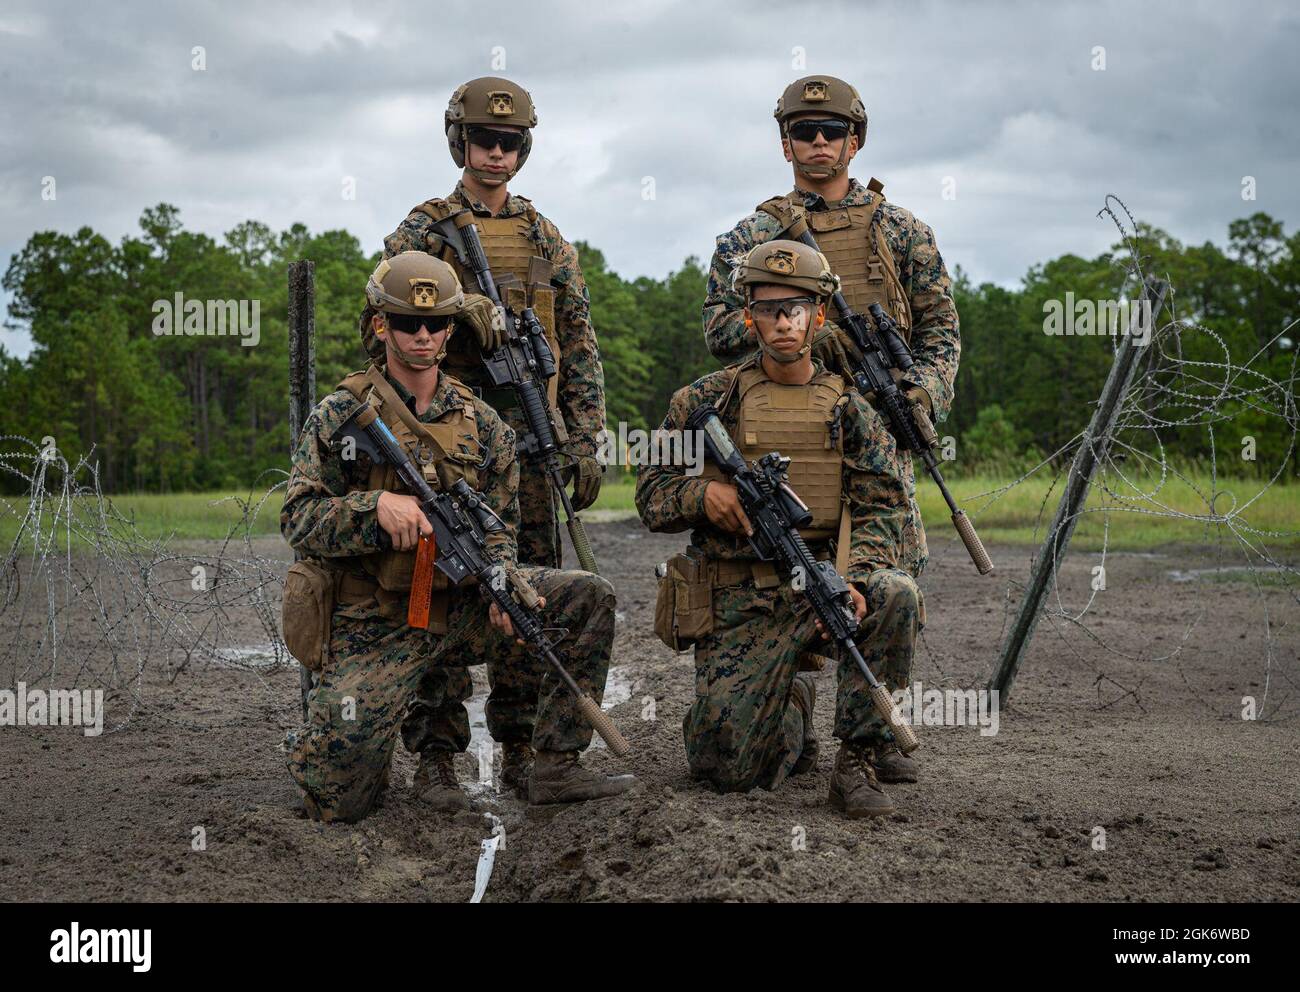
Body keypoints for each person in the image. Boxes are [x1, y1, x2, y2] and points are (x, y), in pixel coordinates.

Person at [283, 252, 633, 822]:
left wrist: (503, 582)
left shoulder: (485, 424)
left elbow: (500, 530)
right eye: (406, 323)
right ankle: (399, 756)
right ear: (380, 326)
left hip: (461, 606)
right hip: (378, 620)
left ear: (450, 331)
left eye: (436, 324)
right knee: (334, 799)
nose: (422, 335)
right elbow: (297, 516)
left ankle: (553, 763)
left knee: (585, 596)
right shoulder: (340, 414)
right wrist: (375, 509)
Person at [372, 76, 607, 797]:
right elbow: (377, 325)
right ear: (459, 142)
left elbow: (578, 339)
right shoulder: (423, 230)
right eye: (483, 141)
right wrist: (458, 306)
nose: (495, 154)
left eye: (509, 143)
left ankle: (521, 747)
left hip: (533, 448)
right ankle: (438, 754)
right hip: (446, 446)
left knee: (529, 594)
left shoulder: (545, 237)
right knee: (439, 583)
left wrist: (587, 433)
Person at [637, 240, 923, 818]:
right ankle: (789, 704)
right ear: (748, 316)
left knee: (897, 595)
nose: (784, 321)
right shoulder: (704, 400)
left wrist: (856, 581)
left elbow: (883, 508)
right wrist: (703, 494)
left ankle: (858, 764)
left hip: (821, 588)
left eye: (797, 307)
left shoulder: (851, 408)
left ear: (819, 314)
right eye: (769, 308)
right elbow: (650, 494)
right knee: (726, 772)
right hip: (737, 599)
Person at [703, 75, 961, 578]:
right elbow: (718, 329)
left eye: (831, 130)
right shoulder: (752, 237)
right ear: (785, 146)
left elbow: (941, 329)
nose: (818, 141)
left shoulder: (902, 231)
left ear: (854, 141)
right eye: (804, 131)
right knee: (777, 595)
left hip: (879, 431)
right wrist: (805, 332)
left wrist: (923, 393)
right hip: (783, 434)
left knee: (886, 593)